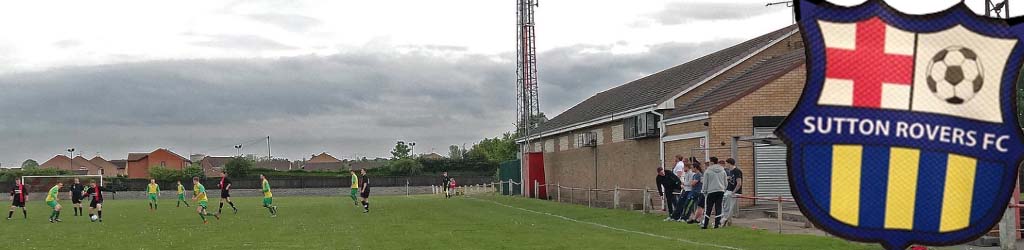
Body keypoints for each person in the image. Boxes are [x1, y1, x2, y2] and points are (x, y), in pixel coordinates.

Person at [701, 157, 728, 229]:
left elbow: (705, 182)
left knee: (708, 208)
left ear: (712, 162)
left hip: (711, 191)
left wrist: (704, 191)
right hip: (720, 190)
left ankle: (705, 224)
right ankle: (717, 224)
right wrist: (723, 189)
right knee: (718, 207)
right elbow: (726, 182)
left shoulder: (708, 171)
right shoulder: (723, 170)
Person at [722, 158, 743, 225]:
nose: (726, 165)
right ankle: (729, 221)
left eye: (726, 163)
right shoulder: (730, 171)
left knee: (728, 207)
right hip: (728, 190)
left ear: (729, 163)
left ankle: (723, 221)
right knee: (726, 206)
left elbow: (739, 183)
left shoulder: (737, 171)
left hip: (733, 192)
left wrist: (733, 192)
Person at [684, 159, 704, 224]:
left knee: (690, 204)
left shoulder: (698, 175)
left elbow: (693, 183)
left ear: (695, 168)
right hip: (695, 191)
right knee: (696, 206)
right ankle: (696, 219)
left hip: (696, 192)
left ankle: (690, 217)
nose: (691, 169)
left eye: (692, 168)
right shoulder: (696, 174)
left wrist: (689, 182)